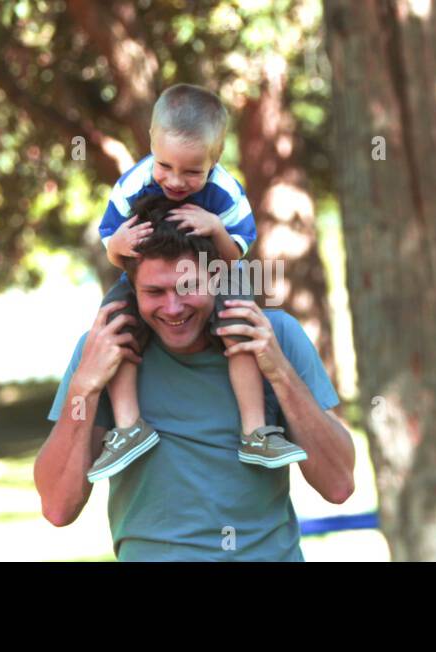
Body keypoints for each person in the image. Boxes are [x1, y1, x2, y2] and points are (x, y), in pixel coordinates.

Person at [33, 212, 356, 561]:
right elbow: (58, 507)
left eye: (188, 287)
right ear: (132, 287)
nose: (173, 307)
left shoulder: (272, 335)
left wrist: (279, 371)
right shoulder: (106, 350)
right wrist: (84, 386)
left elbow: (338, 485)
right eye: (154, 292)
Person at [87, 82, 306, 483]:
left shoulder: (225, 192)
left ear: (215, 159)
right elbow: (113, 249)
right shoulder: (131, 185)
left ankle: (254, 430)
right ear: (152, 143)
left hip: (218, 270)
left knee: (239, 322)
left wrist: (216, 228)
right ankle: (128, 426)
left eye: (192, 172)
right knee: (114, 321)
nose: (175, 181)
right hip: (147, 274)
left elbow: (236, 252)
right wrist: (117, 245)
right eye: (165, 166)